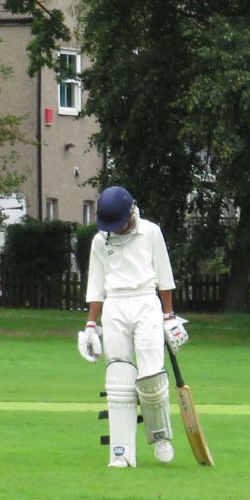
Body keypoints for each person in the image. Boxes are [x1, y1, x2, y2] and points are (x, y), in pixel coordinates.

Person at [77, 185, 187, 467]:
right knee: (119, 377)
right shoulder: (100, 241)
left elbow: (165, 278)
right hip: (115, 304)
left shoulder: (150, 232)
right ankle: (121, 452)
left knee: (151, 375)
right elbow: (96, 286)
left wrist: (169, 316)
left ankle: (160, 436)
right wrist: (90, 324)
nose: (118, 229)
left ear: (131, 210)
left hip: (145, 301)